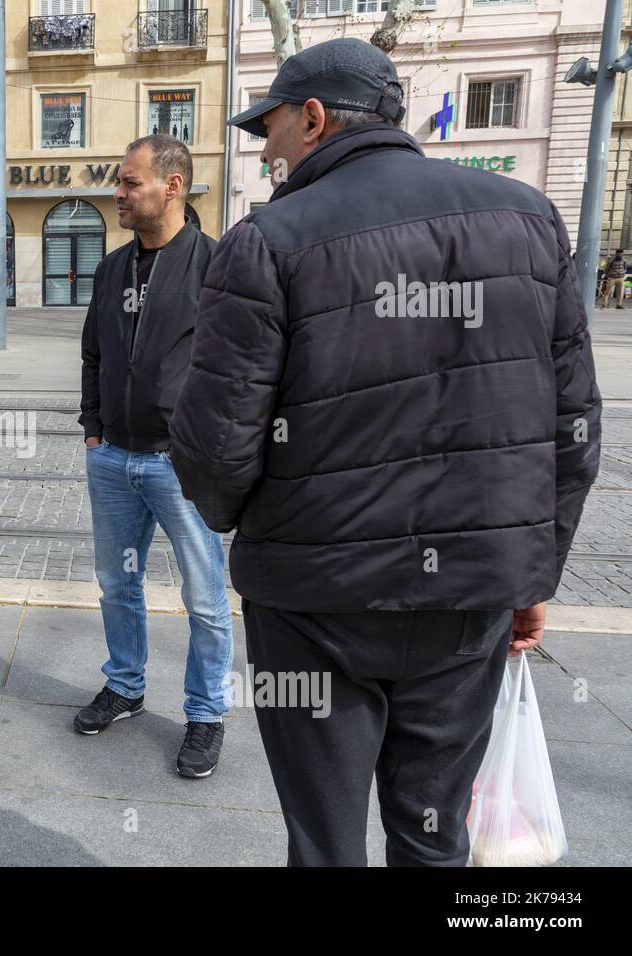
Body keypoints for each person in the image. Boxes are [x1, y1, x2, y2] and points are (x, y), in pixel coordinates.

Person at [168, 38, 602, 865]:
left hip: (315, 599)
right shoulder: (528, 217)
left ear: (315, 117)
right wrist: (532, 572)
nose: (268, 151)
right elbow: (574, 429)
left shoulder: (267, 241)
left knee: (326, 841)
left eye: (273, 129)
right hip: (471, 599)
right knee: (436, 833)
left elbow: (215, 448)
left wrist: (249, 527)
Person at [76, 134, 234, 778]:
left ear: (172, 186)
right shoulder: (113, 268)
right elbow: (93, 353)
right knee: (118, 584)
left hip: (181, 463)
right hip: (113, 457)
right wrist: (93, 426)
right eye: (119, 181)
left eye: (128, 182)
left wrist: (212, 443)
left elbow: (239, 367)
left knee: (204, 598)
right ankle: (126, 686)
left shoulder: (215, 264)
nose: (118, 193)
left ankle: (205, 714)